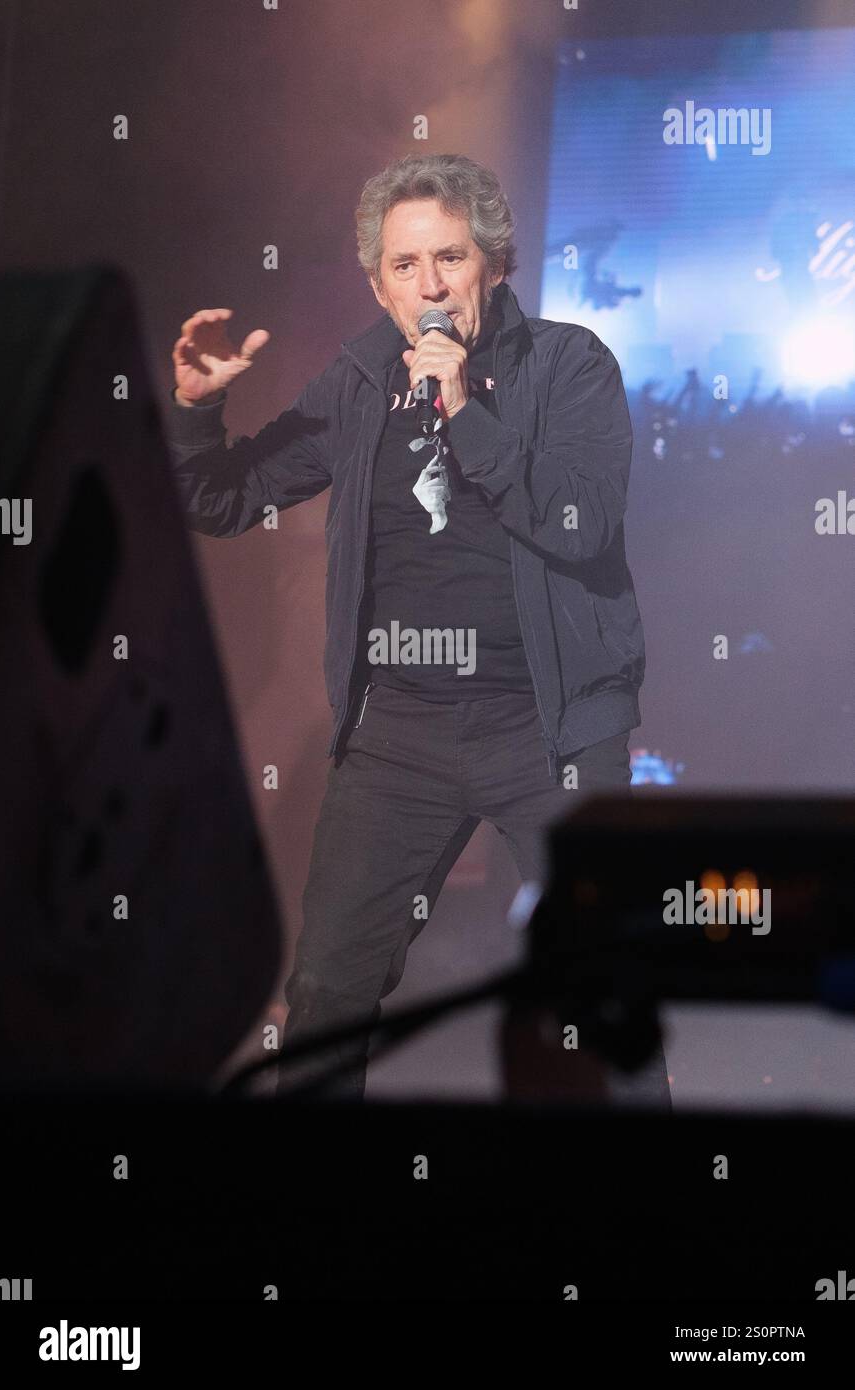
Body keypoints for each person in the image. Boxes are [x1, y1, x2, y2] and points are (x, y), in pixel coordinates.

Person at [165, 152, 670, 1107]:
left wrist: (466, 412)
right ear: (379, 285)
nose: (429, 285)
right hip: (399, 735)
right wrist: (198, 411)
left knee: (605, 994)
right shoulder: (357, 383)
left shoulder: (569, 364)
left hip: (552, 728)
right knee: (325, 996)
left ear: (494, 263)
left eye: (449, 259)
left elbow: (585, 522)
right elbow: (226, 500)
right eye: (405, 266)